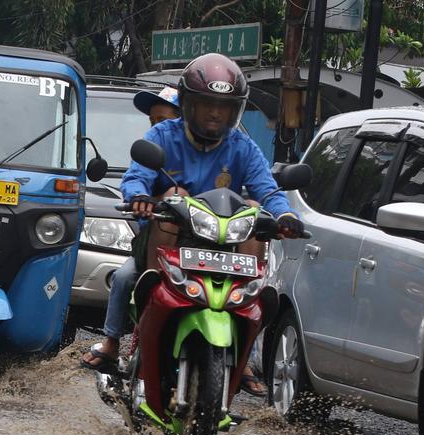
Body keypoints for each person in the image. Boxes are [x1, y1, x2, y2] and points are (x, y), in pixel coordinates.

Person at [82, 54, 305, 397]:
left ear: (235, 111)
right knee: (132, 268)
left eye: (224, 106)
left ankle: (243, 349)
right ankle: (121, 339)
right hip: (167, 241)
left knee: (256, 214)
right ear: (188, 105)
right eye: (206, 104)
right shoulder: (163, 135)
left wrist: (286, 217)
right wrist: (142, 196)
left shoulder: (243, 147)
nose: (215, 113)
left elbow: (268, 189)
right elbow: (136, 178)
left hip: (224, 246)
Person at [80, 86, 180, 374]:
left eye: (165, 120)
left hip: (208, 248)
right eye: (153, 121)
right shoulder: (152, 152)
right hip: (159, 245)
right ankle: (112, 343)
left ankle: (241, 362)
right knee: (124, 277)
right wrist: (141, 199)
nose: (158, 128)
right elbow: (135, 180)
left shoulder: (221, 149)